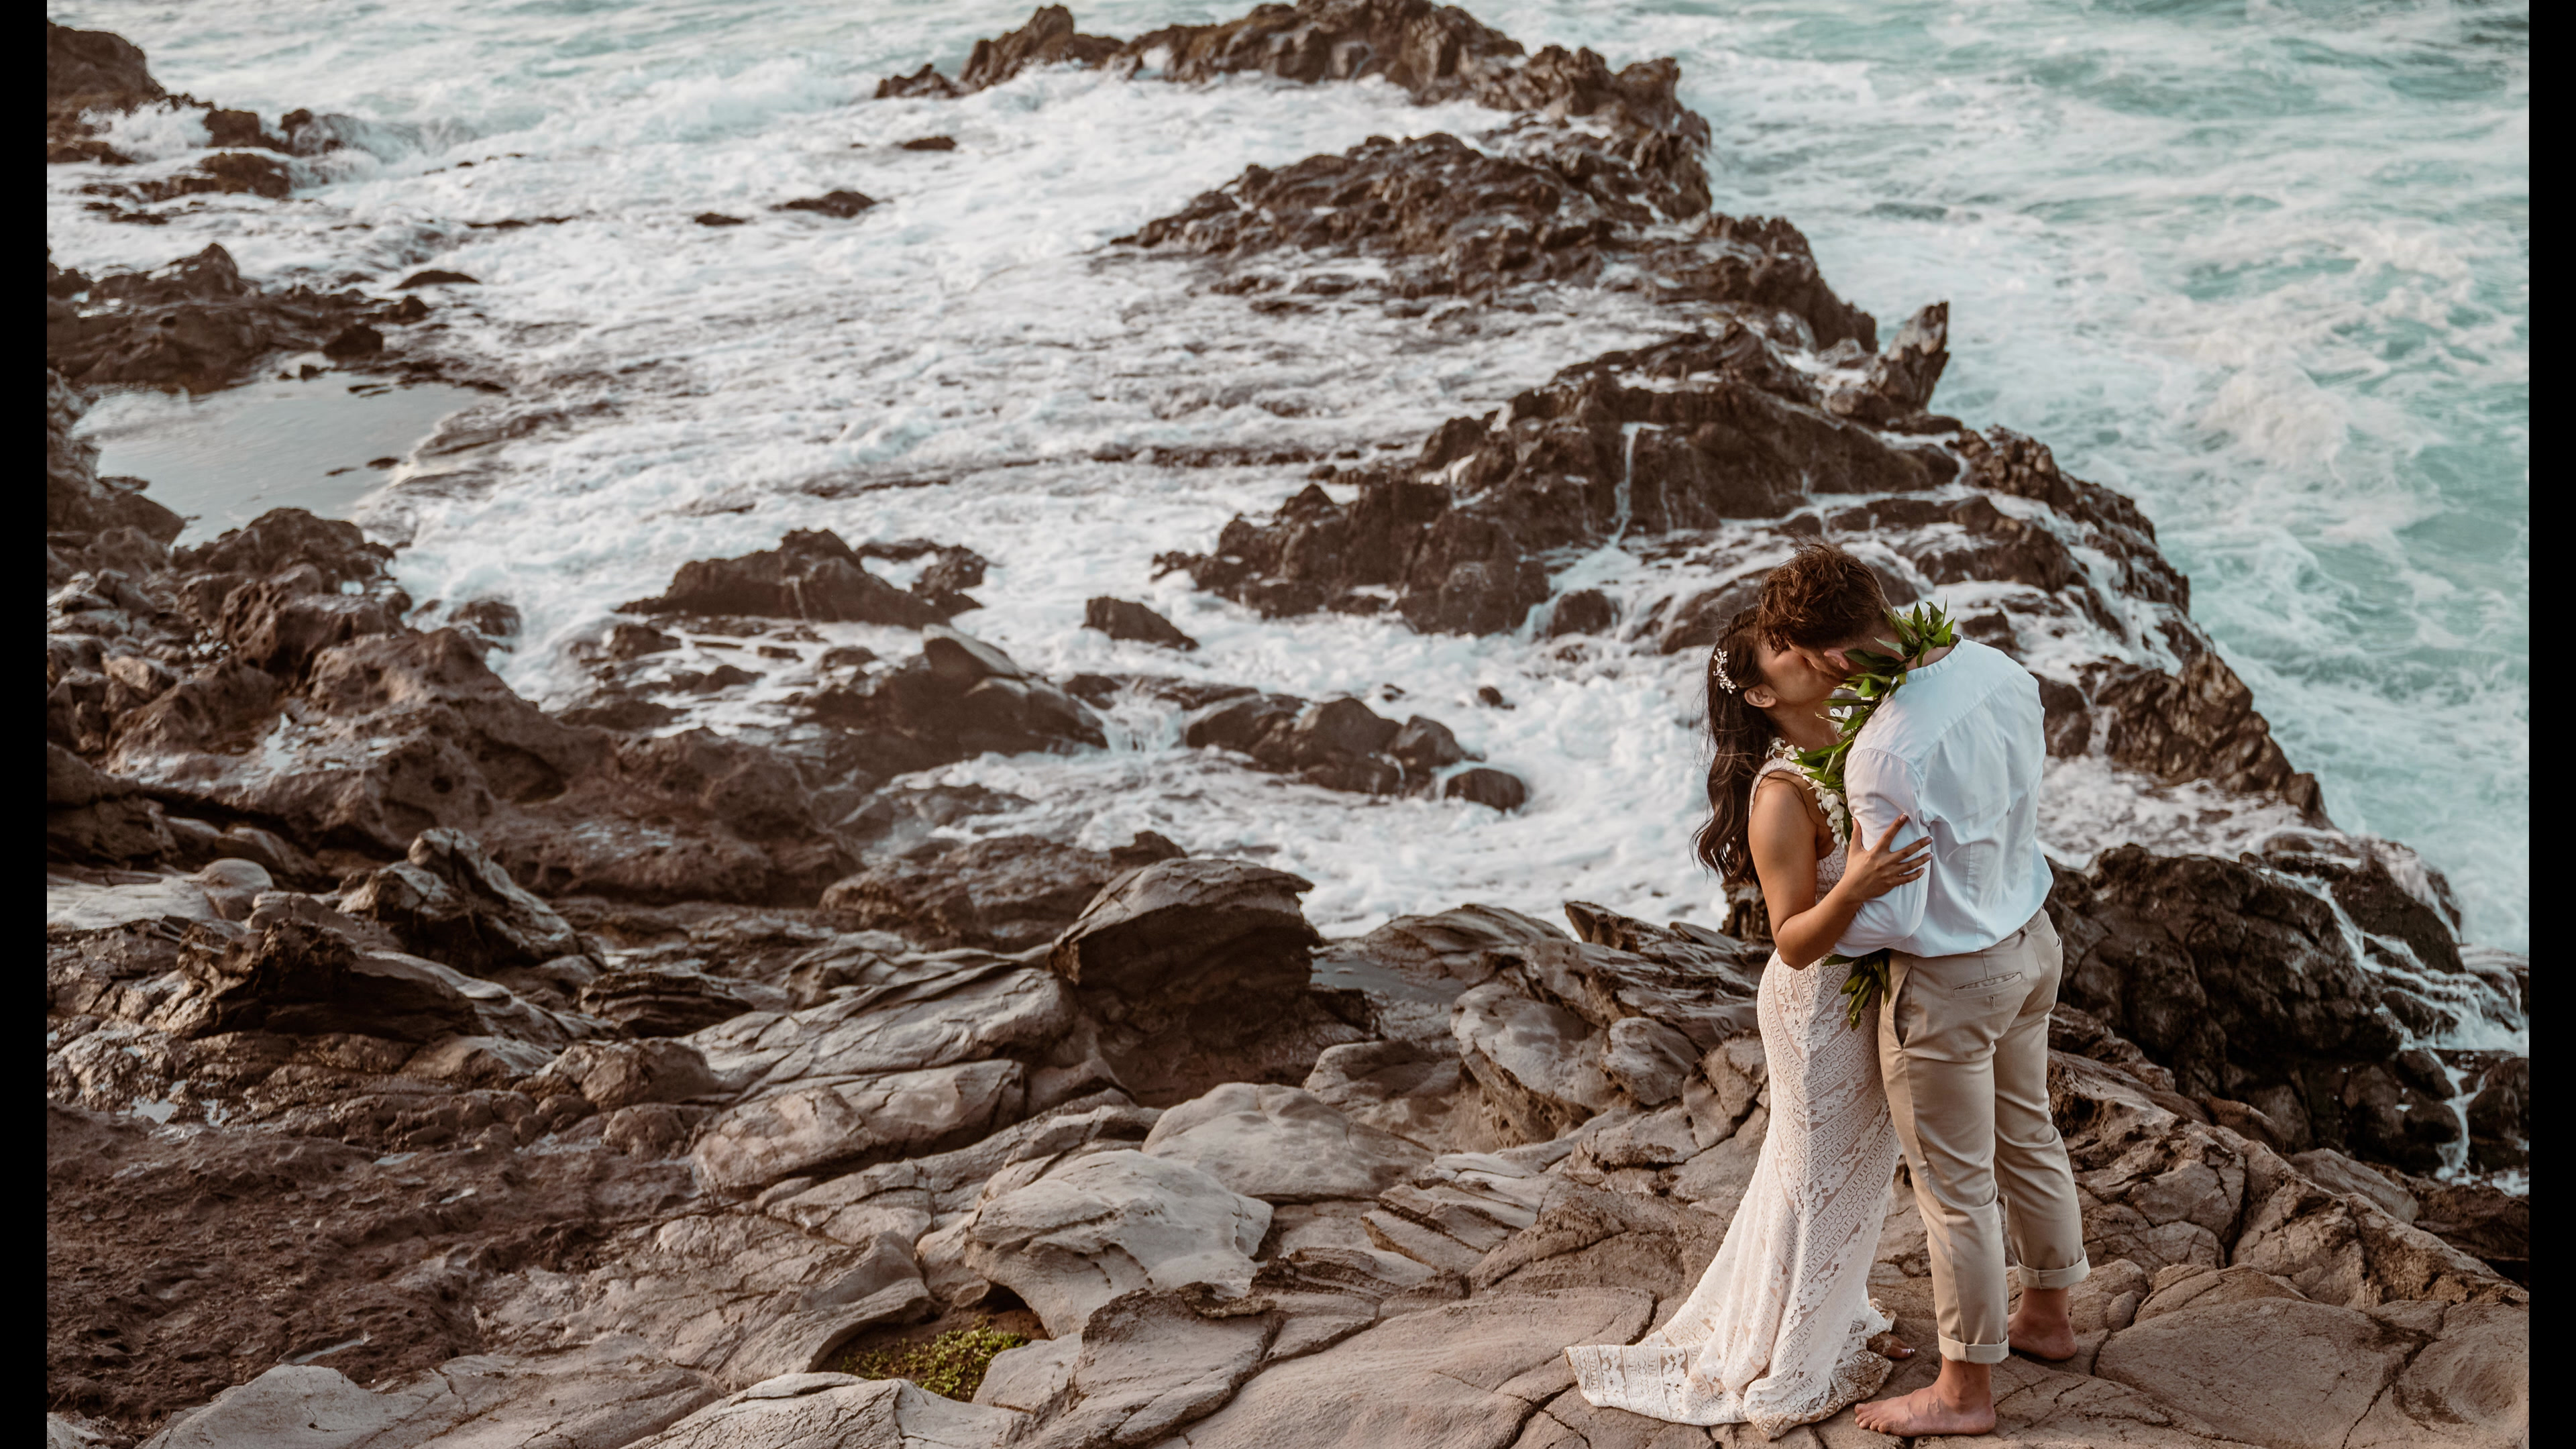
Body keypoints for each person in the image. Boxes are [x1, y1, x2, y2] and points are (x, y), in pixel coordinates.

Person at [1562, 599, 1931, 1439]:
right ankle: (1789, 1357)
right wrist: (1858, 886)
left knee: (1855, 1171)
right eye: (1782, 649)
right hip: (1816, 1010)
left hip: (1862, 995)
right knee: (1813, 1179)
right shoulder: (1782, 795)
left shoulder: (1849, 740)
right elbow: (1792, 939)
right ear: (1762, 695)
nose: (1807, 651)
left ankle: (1834, 1317)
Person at [1759, 543, 2086, 1438]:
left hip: (1952, 980)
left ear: (1832, 657)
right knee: (2029, 1133)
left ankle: (1963, 1393)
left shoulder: (1882, 755)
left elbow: (1891, 917)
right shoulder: (2000, 669)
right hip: (2032, 940)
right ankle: (2049, 1319)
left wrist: (1831, 910)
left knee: (1955, 1192)